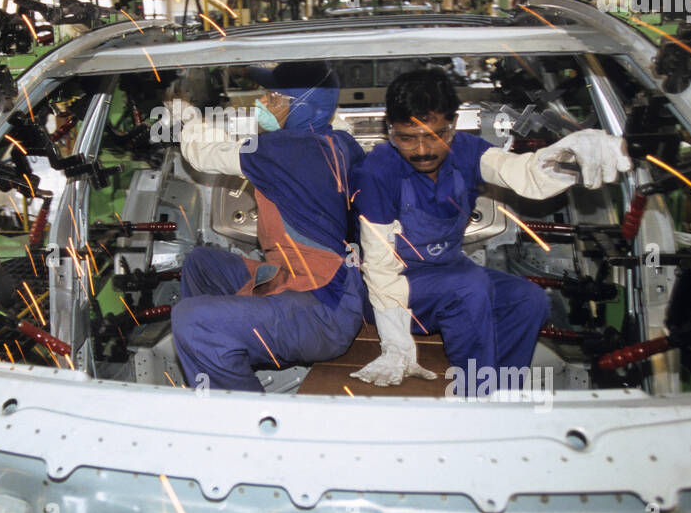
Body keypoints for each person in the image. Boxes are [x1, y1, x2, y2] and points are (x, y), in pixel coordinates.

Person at [352, 67, 630, 392]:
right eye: (407, 138)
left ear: (454, 124)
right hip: (396, 291)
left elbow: (522, 173)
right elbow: (381, 267)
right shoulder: (377, 171)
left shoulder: (468, 150)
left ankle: (501, 389)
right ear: (389, 129)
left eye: (434, 135)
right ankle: (476, 396)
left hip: (450, 272)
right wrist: (396, 346)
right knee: (468, 286)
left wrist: (566, 157)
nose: (423, 150)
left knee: (529, 299)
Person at [170, 61, 365, 392]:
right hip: (317, 286)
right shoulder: (338, 141)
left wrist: (184, 112)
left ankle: (243, 417)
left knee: (192, 320)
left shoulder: (282, 151)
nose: (262, 102)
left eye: (274, 97)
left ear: (304, 108)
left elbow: (204, 153)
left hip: (321, 313)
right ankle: (224, 356)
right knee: (202, 263)